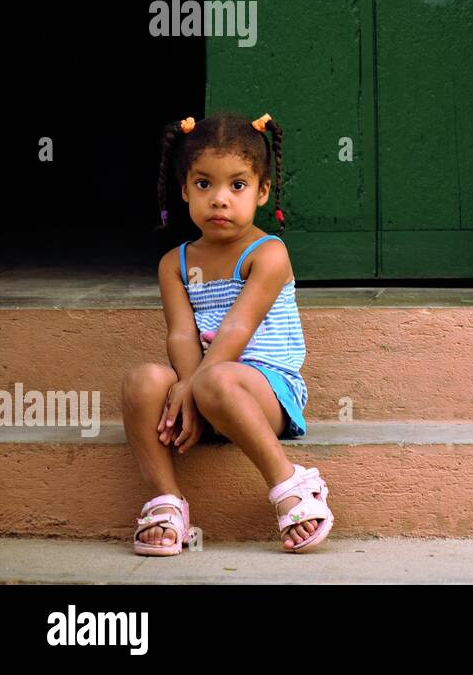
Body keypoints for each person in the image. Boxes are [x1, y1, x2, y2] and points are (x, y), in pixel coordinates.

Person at [123, 111, 334, 554]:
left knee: (218, 379)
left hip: (266, 391)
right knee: (142, 380)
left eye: (237, 185)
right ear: (184, 190)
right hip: (203, 383)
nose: (220, 199)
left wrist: (198, 383)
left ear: (261, 192)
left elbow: (239, 327)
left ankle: (289, 483)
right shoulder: (174, 263)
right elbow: (181, 334)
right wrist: (185, 383)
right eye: (204, 184)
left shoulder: (268, 253)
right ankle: (165, 501)